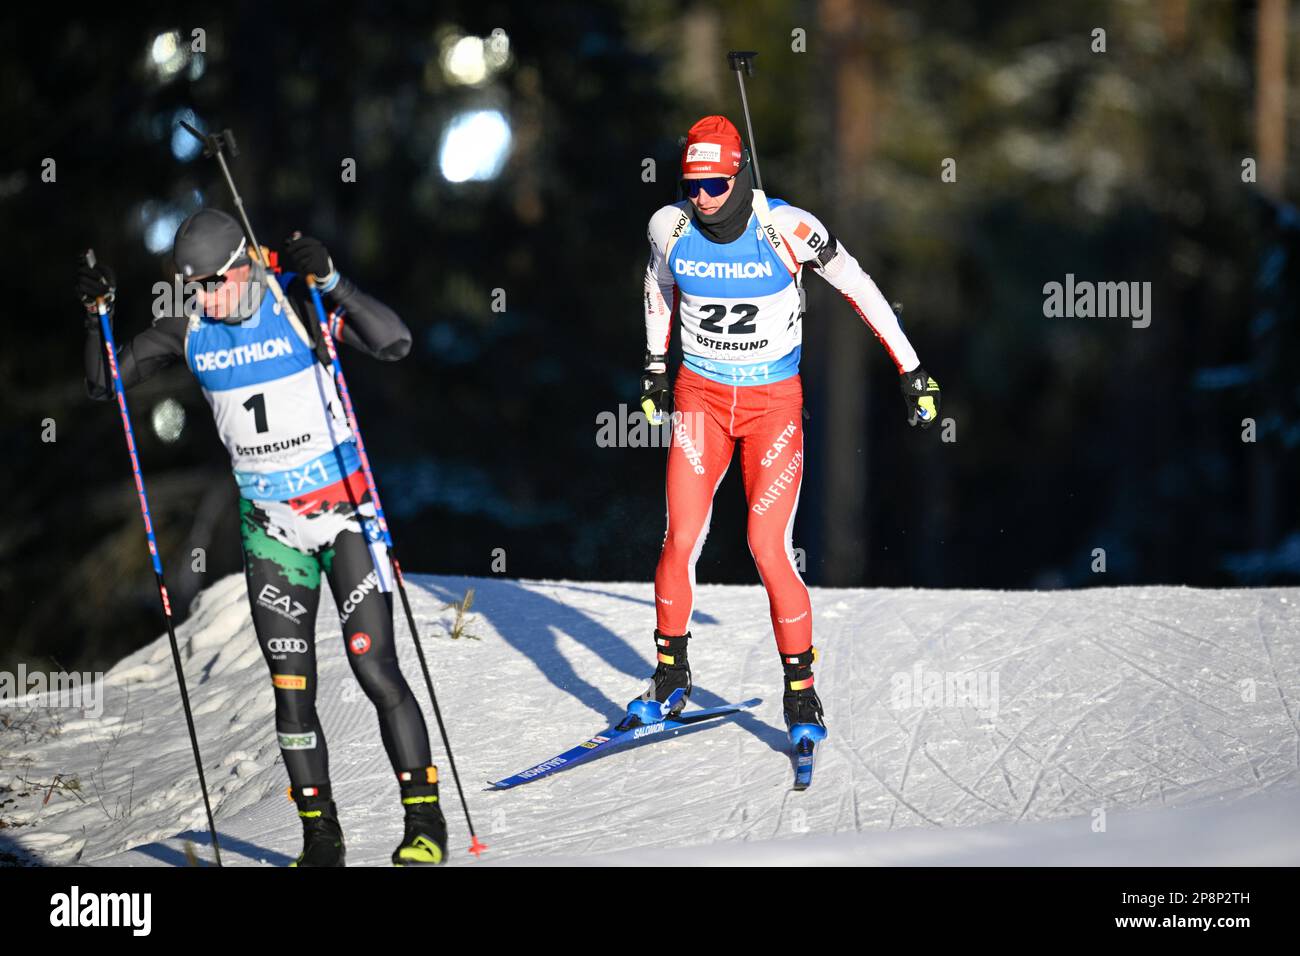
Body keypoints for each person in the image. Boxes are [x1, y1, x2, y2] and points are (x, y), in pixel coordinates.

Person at [76, 208, 447, 866]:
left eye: (215, 282)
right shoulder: (188, 328)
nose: (206, 298)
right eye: (193, 287)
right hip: (271, 530)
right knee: (290, 687)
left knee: (372, 665)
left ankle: (424, 823)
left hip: (342, 515)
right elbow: (105, 380)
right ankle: (320, 839)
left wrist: (332, 280)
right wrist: (97, 312)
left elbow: (394, 343)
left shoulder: (293, 303)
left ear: (245, 265)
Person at [636, 115, 940, 744]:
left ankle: (801, 695)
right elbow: (658, 284)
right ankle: (670, 674)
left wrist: (911, 370)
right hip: (701, 399)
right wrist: (655, 367)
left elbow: (858, 286)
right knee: (680, 538)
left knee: (766, 546)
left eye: (716, 184)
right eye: (691, 183)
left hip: (772, 405)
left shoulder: (788, 229)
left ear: (740, 176)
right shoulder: (670, 229)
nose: (702, 197)